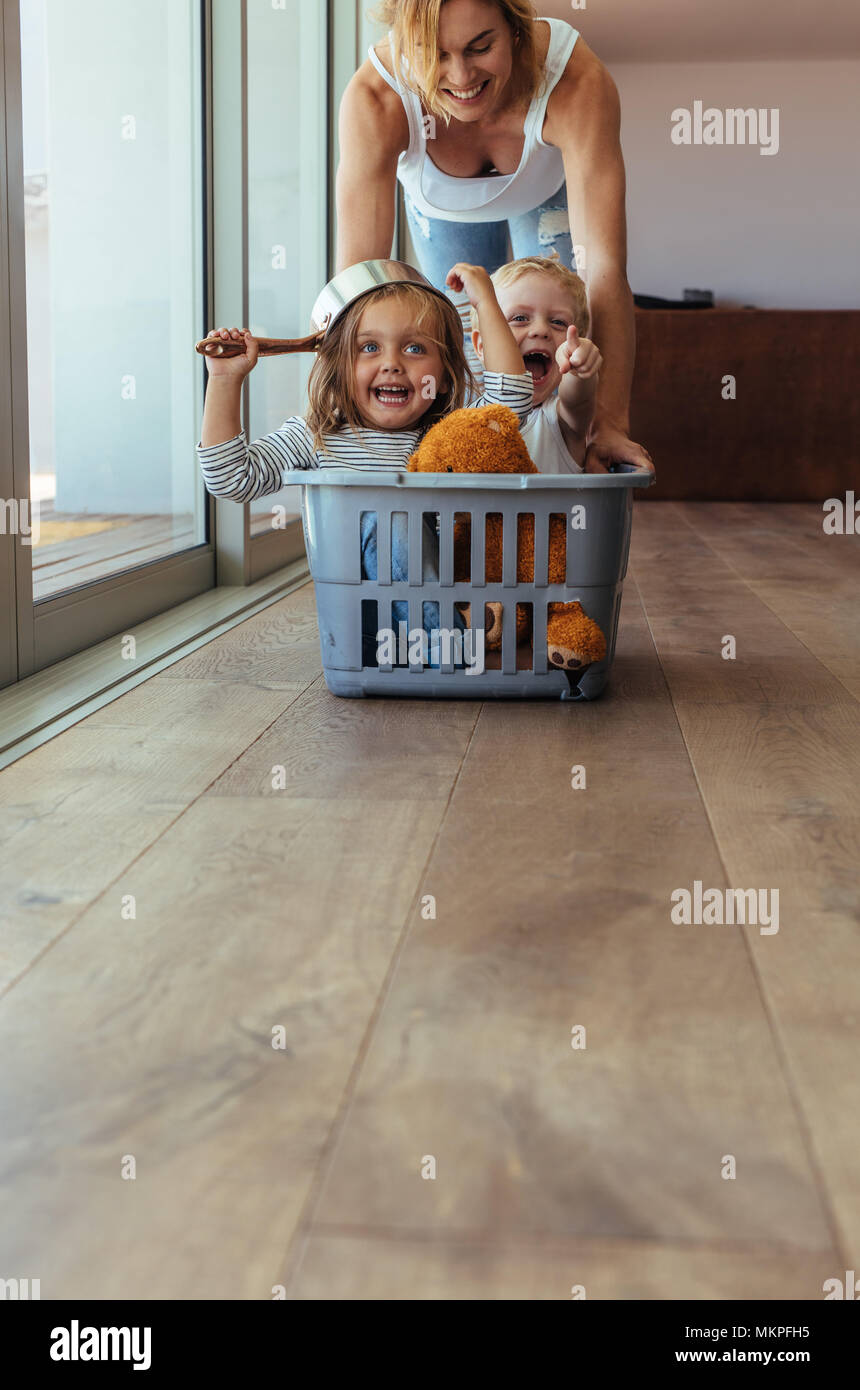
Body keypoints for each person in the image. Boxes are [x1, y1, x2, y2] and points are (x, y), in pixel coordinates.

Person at [336, 0, 654, 475]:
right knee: (465, 346)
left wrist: (609, 425)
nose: (461, 77)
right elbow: (360, 287)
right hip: (443, 203)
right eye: (433, 54)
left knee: (558, 336)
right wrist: (344, 419)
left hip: (545, 187)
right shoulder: (377, 96)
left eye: (480, 47)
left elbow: (604, 270)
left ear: (517, 30)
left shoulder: (575, 81)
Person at [196, 262, 532, 665]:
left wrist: (484, 303)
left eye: (415, 348)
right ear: (338, 370)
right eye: (369, 348)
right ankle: (447, 647)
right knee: (388, 514)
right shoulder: (317, 435)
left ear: (443, 377)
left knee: (400, 516)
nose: (392, 363)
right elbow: (231, 478)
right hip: (364, 629)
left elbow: (508, 403)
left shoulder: (445, 435)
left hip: (442, 602)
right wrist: (225, 380)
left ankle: (445, 642)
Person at [471, 255, 601, 472]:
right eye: (520, 318)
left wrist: (579, 369)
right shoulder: (465, 418)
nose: (541, 330)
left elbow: (577, 400)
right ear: (482, 346)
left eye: (558, 322)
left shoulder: (561, 422)